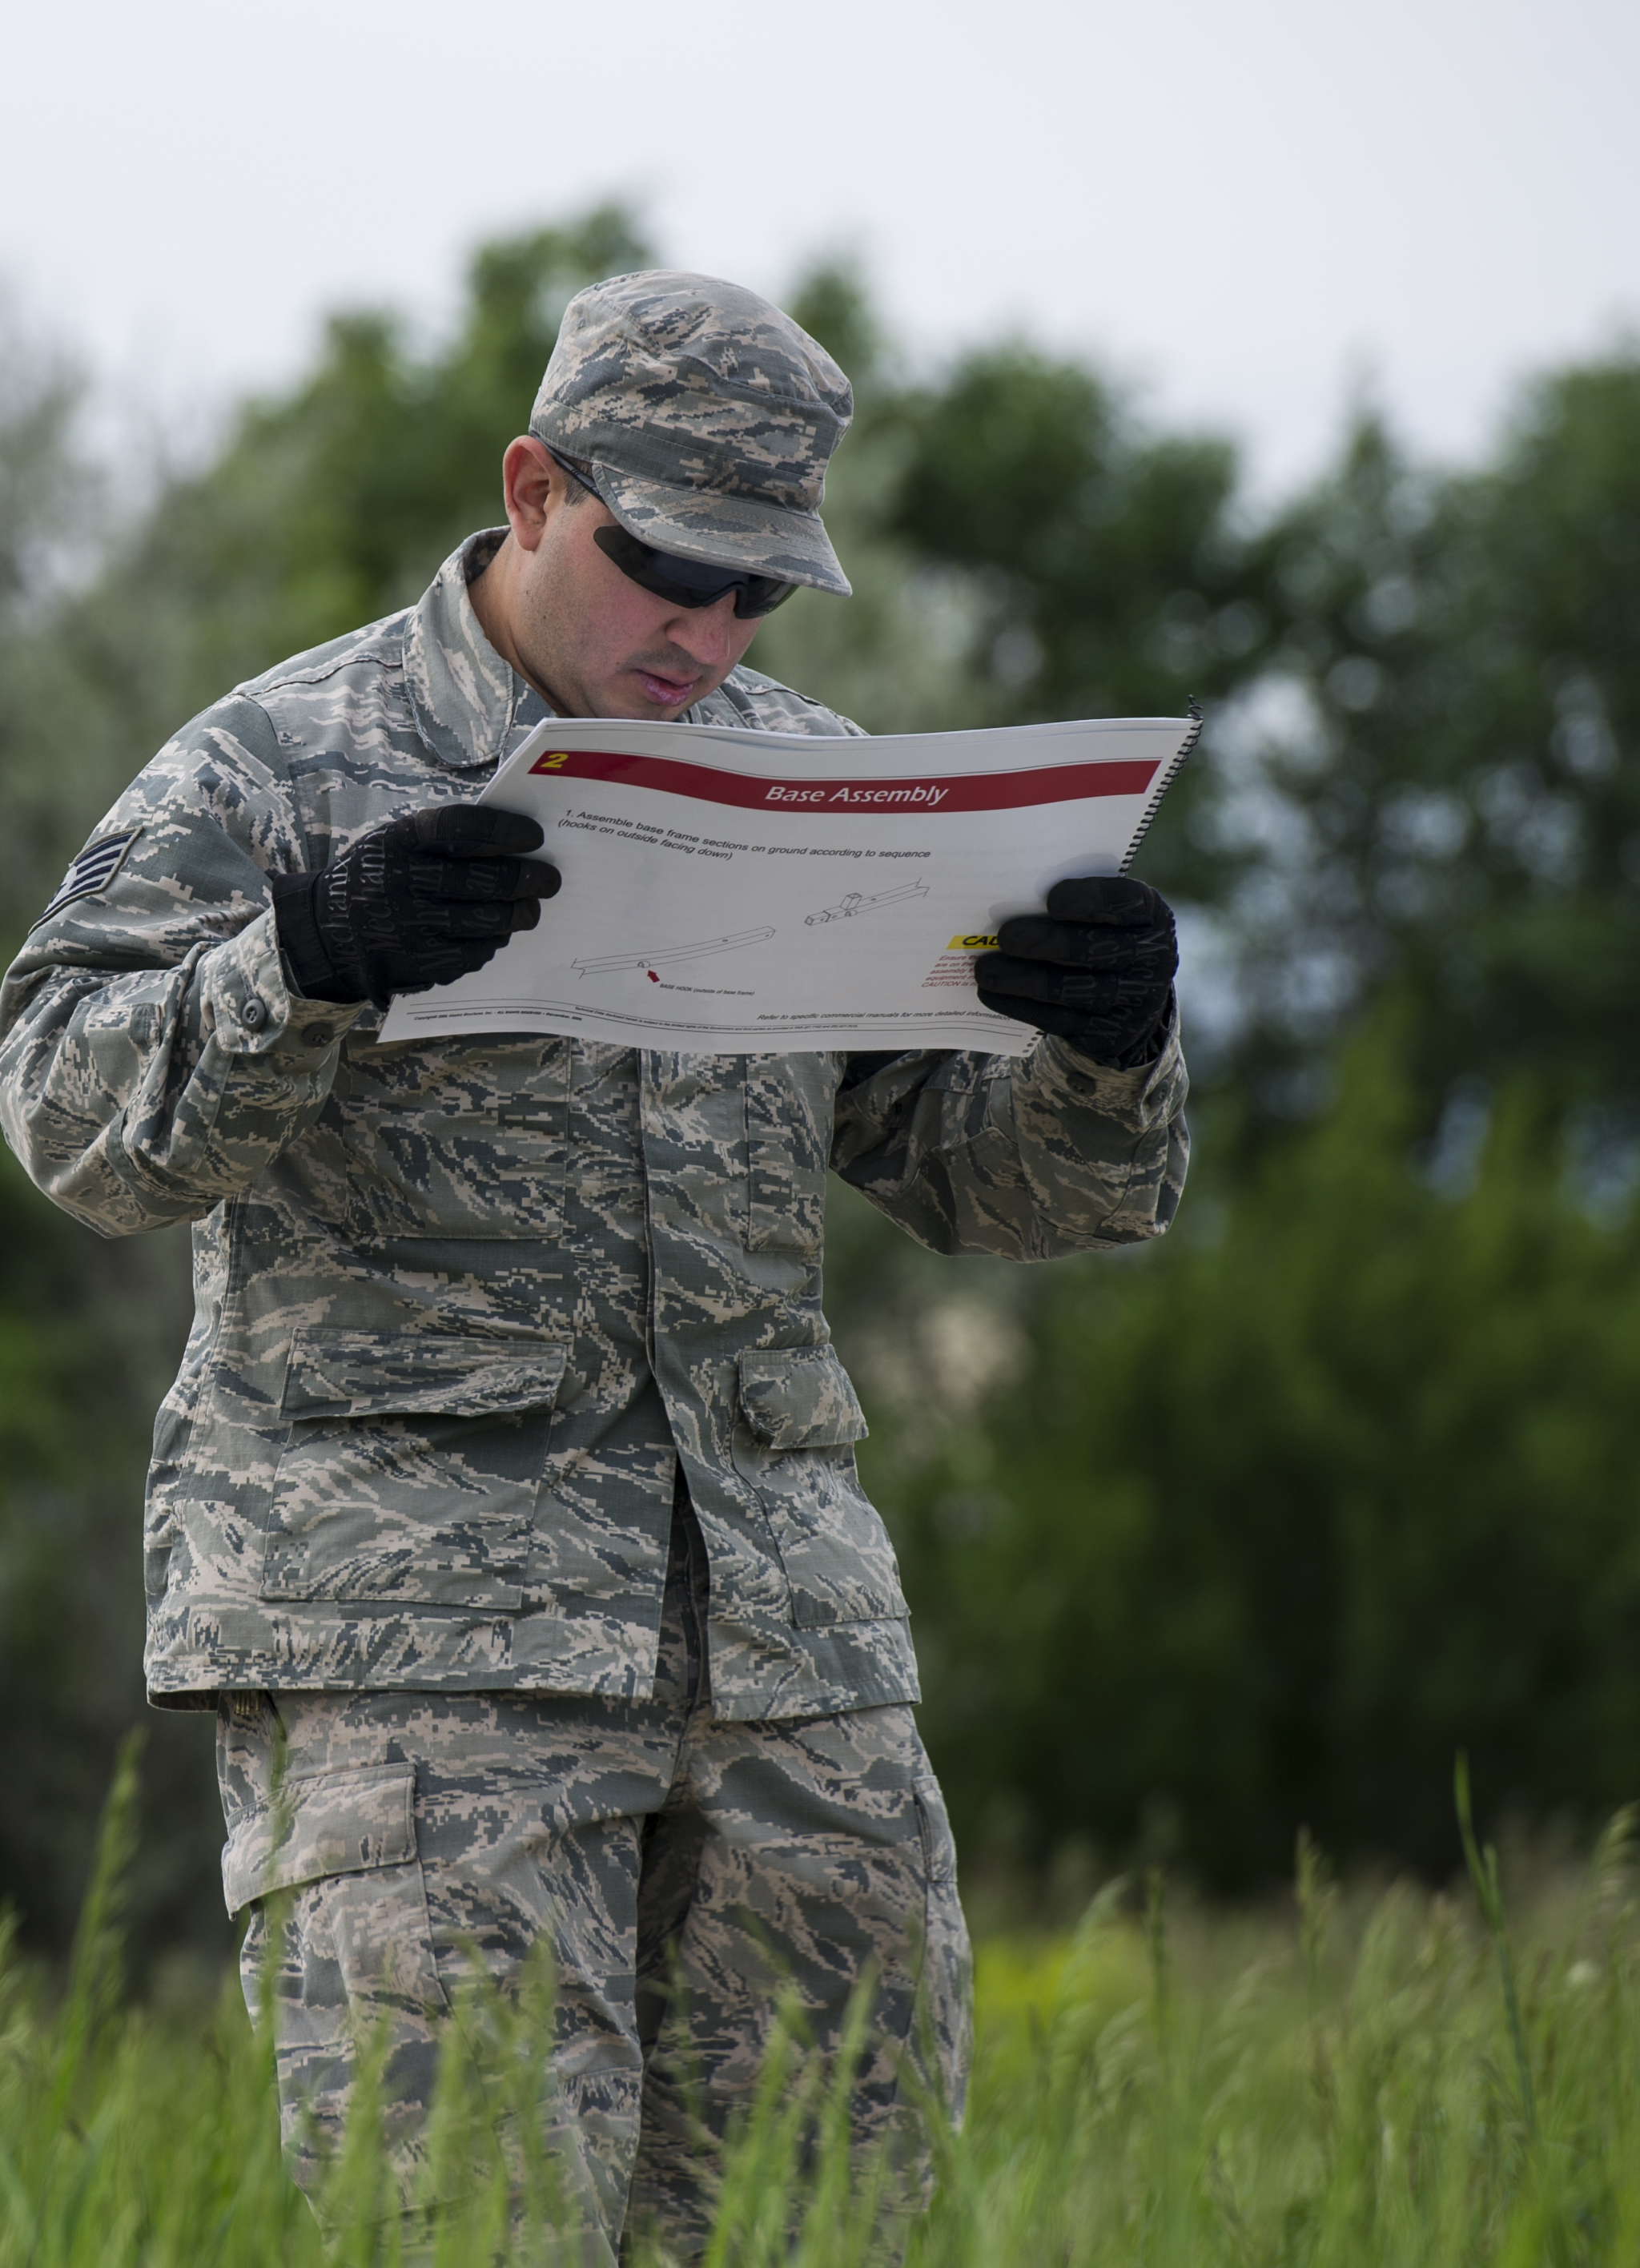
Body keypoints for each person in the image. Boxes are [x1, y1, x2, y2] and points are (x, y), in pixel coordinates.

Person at [0, 270, 1188, 2261]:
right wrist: (299, 966)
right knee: (459, 2226)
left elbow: (1012, 1197)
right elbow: (59, 1115)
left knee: (836, 2227)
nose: (707, 636)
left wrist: (1108, 1048)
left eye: (758, 598)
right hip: (417, 1672)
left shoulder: (821, 790)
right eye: (667, 572)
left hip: (792, 1672)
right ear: (534, 489)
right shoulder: (274, 767)